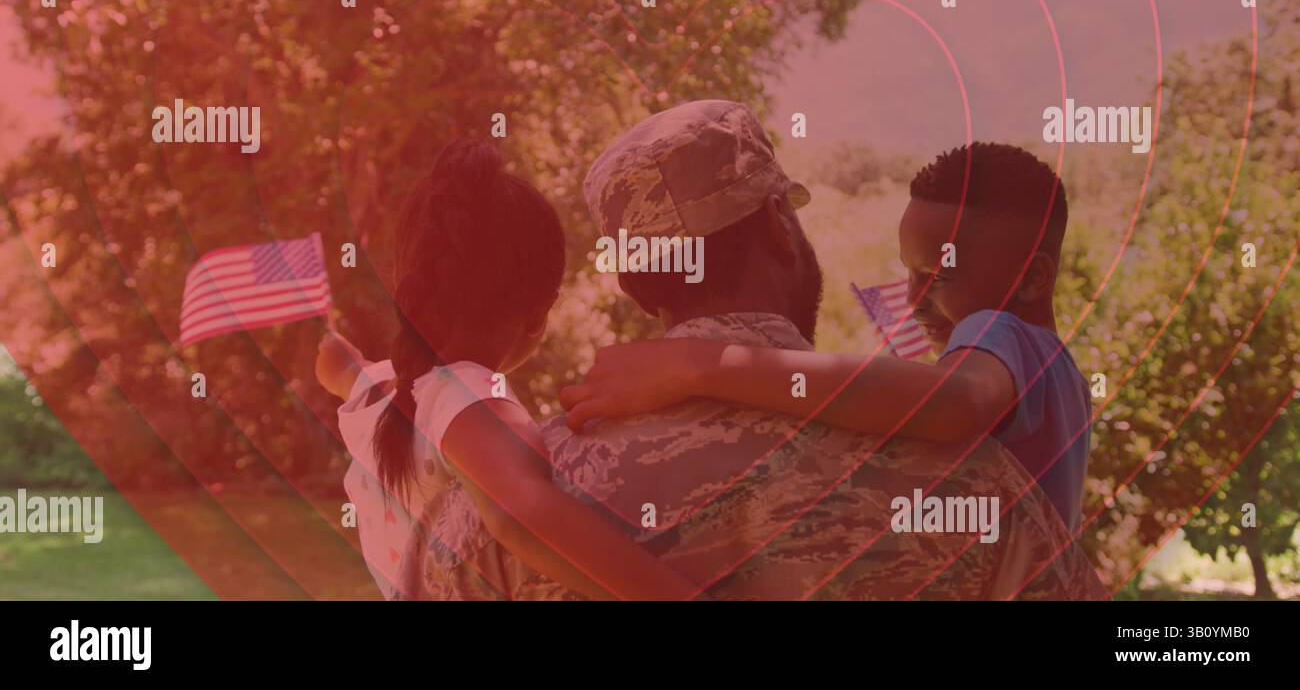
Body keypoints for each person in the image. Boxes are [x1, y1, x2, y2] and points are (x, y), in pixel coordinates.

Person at [531, 102, 1104, 599]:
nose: (912, 300)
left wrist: (700, 365)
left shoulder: (998, 334)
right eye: (911, 274)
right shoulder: (1041, 380)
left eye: (938, 276)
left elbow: (953, 401)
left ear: (632, 286)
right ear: (781, 224)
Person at [315, 139, 698, 600]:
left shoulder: (383, 393)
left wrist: (334, 353)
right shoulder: (468, 394)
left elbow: (341, 370)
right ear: (540, 312)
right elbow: (519, 511)